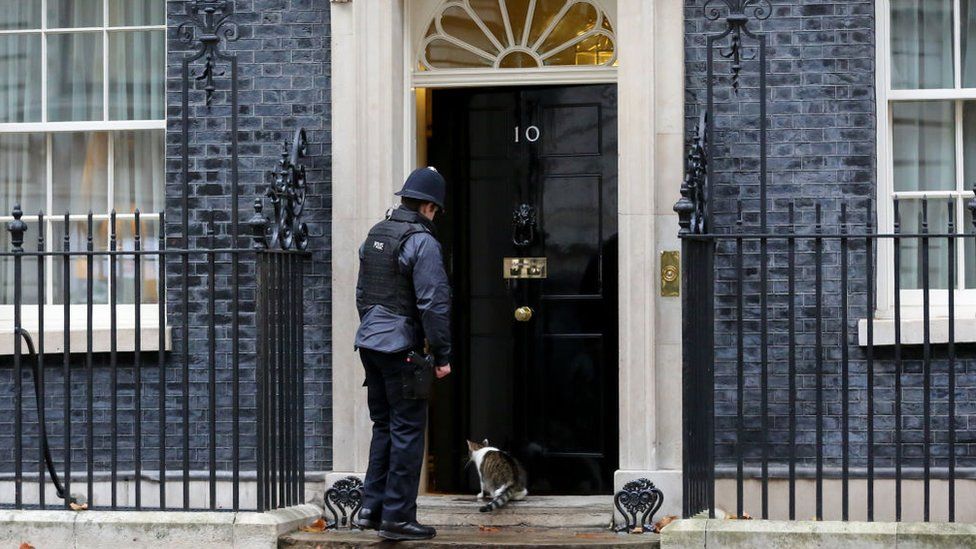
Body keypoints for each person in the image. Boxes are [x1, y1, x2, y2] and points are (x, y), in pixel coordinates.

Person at [351, 167, 452, 541]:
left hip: (370, 343)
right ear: (429, 206)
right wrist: (442, 355)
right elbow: (433, 303)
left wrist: (373, 331)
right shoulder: (422, 242)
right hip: (401, 349)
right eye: (436, 211)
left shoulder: (376, 234)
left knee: (384, 426)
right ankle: (397, 517)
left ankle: (371, 509)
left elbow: (362, 294)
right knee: (408, 431)